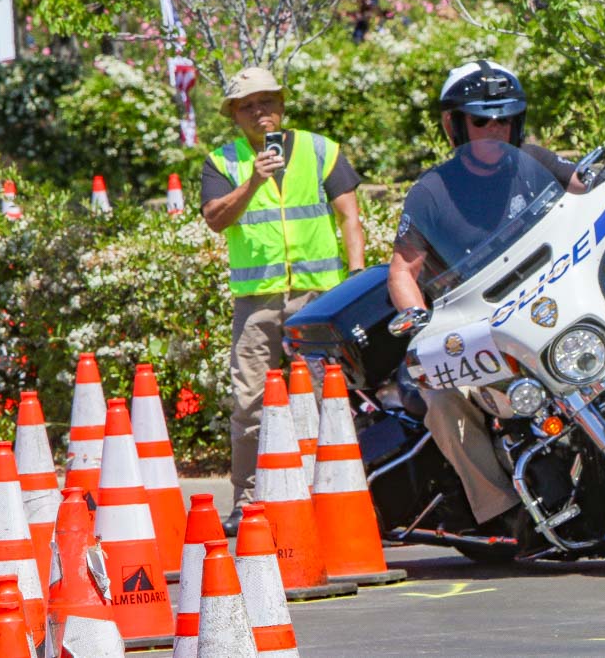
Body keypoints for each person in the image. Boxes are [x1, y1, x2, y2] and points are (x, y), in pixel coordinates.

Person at [388, 60, 584, 534]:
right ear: (454, 124)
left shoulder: (535, 163)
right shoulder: (431, 192)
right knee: (439, 395)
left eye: (505, 118)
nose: (494, 128)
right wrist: (418, 318)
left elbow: (583, 183)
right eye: (481, 119)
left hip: (550, 305)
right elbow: (402, 271)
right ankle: (502, 510)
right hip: (478, 328)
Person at [201, 66, 365, 535]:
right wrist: (253, 181)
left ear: (282, 105)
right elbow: (215, 219)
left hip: (318, 296)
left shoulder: (320, 149)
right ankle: (248, 499)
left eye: (268, 101)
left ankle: (332, 490)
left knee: (324, 396)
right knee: (250, 401)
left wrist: (354, 280)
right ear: (234, 115)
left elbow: (350, 217)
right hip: (258, 300)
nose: (261, 112)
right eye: (249, 106)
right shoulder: (223, 161)